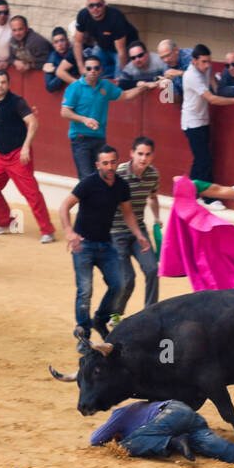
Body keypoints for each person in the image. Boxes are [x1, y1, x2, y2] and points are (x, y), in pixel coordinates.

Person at [60, 144, 152, 339]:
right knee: (85, 291)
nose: (109, 167)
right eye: (105, 163)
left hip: (106, 245)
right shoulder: (88, 183)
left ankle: (100, 320)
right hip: (83, 245)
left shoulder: (121, 185)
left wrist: (139, 234)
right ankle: (83, 333)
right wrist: (69, 231)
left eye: (112, 162)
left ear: (116, 162)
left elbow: (127, 213)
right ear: (98, 164)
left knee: (118, 285)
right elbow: (64, 207)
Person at [91, 400, 234, 462]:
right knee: (233, 454)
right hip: (191, 421)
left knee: (122, 448)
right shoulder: (141, 424)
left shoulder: (119, 415)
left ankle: (173, 444)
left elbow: (95, 440)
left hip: (172, 413)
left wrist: (120, 438)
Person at [0, 68, 57, 243]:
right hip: (1, 156)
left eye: (3, 82)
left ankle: (47, 230)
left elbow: (33, 123)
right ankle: (5, 221)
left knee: (31, 193)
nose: (0, 86)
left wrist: (25, 147)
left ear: (8, 84)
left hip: (18, 154)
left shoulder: (17, 102)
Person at [62, 54, 158, 179]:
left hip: (99, 138)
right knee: (86, 179)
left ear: (101, 69)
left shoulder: (105, 86)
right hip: (81, 139)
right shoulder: (74, 87)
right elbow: (65, 112)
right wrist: (84, 119)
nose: (93, 71)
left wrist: (144, 87)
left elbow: (125, 95)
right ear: (84, 70)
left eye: (96, 68)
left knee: (103, 176)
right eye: (89, 68)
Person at [181, 44, 234, 195]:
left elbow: (217, 88)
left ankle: (189, 193)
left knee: (201, 160)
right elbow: (212, 99)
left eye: (209, 61)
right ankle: (207, 197)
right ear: (194, 61)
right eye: (204, 62)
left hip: (203, 120)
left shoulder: (206, 70)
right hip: (192, 123)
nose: (207, 65)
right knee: (204, 160)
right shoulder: (192, 76)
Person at [111, 136, 162, 320]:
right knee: (127, 279)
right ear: (132, 153)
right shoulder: (118, 174)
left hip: (139, 231)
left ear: (152, 156)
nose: (143, 158)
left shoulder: (153, 175)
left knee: (152, 270)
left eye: (147, 155)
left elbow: (153, 197)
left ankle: (150, 314)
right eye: (140, 154)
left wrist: (156, 217)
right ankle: (115, 315)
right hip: (116, 232)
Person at [72, 0, 138, 79]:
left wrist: (122, 75)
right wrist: (81, 68)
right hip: (102, 46)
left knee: (119, 78)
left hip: (122, 48)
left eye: (98, 5)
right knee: (92, 72)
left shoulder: (115, 17)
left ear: (104, 4)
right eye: (91, 5)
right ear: (87, 6)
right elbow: (77, 42)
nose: (95, 8)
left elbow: (121, 51)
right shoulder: (83, 15)